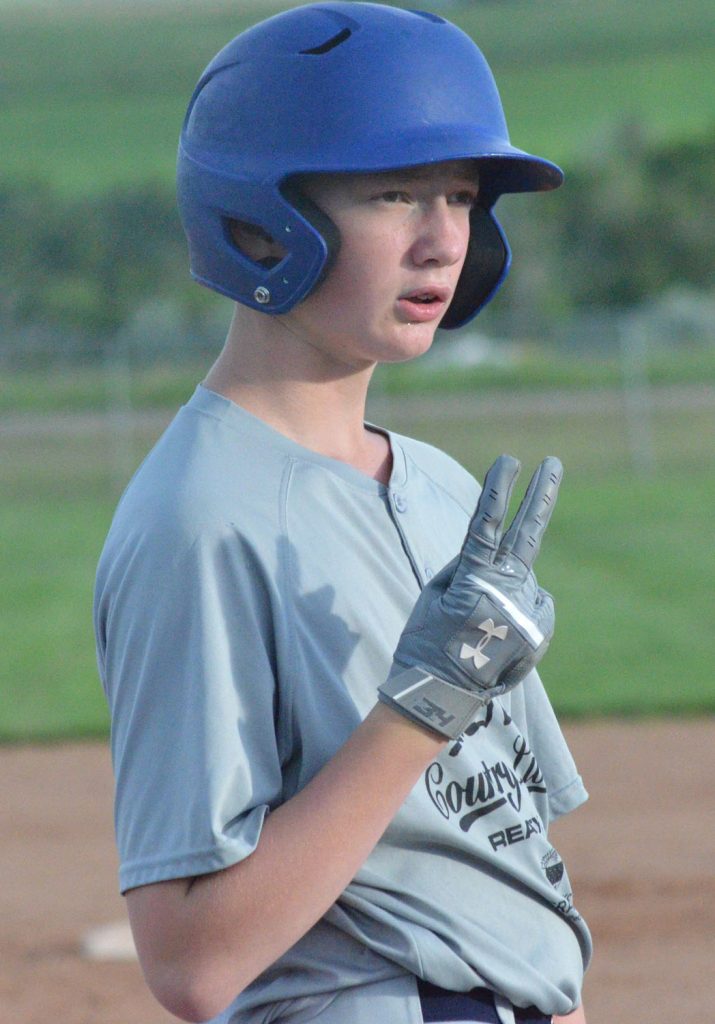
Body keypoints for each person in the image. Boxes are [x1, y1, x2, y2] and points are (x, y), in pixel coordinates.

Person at [94, 4, 591, 1023]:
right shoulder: (200, 519)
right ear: (255, 220)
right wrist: (425, 704)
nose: (443, 239)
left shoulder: (448, 491)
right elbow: (190, 964)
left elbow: (513, 851)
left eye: (460, 195)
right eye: (394, 192)